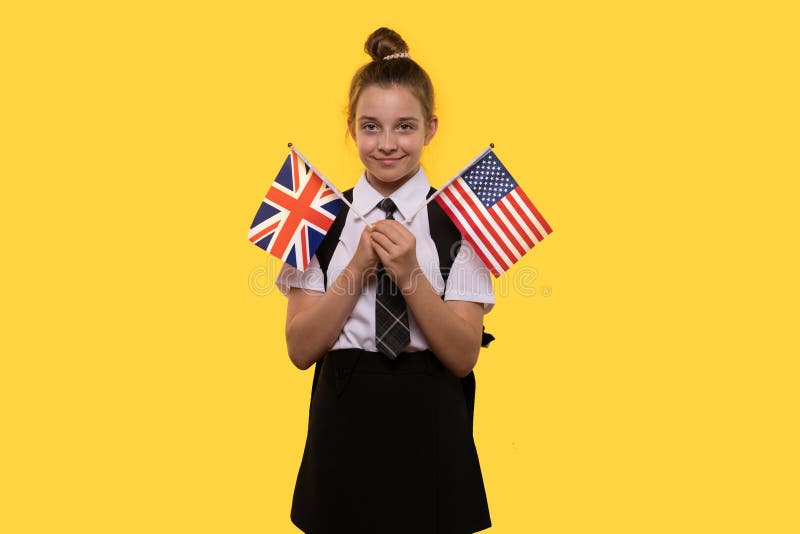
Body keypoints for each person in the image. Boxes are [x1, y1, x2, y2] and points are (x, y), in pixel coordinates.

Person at [275, 27, 494, 534]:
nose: (388, 144)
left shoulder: (463, 220)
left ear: (430, 128)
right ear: (351, 129)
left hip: (431, 415)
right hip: (345, 414)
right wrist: (355, 271)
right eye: (371, 127)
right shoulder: (319, 217)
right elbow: (300, 349)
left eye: (405, 127)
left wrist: (410, 274)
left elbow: (462, 356)